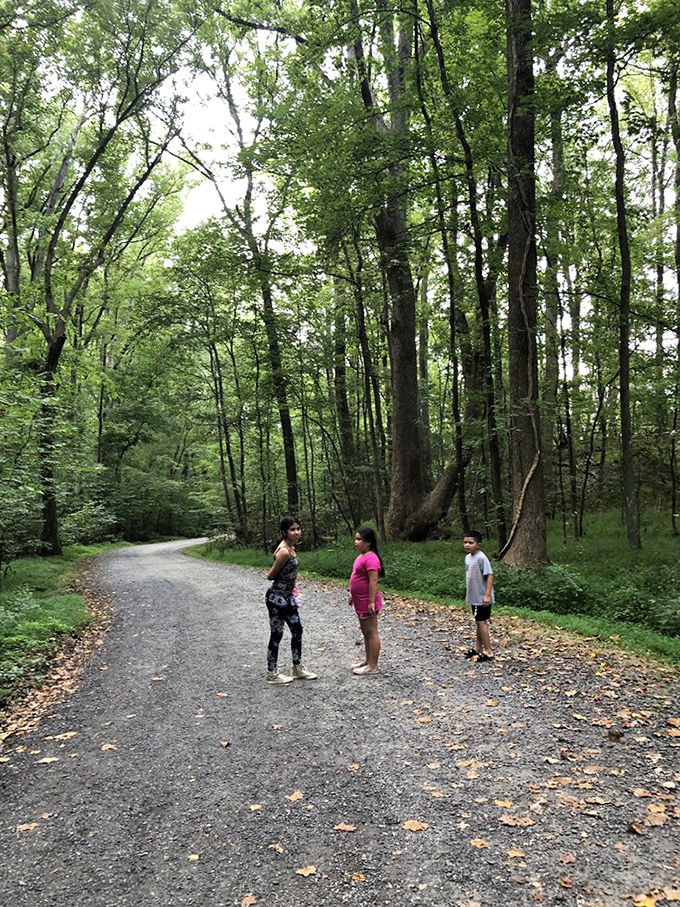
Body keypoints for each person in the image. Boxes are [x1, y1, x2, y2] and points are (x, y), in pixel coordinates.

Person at [265, 516, 317, 684]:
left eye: (298, 528)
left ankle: (297, 668)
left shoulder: (291, 548)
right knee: (277, 634)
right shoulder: (284, 551)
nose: (296, 532)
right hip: (277, 599)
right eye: (292, 529)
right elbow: (271, 575)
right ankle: (272, 673)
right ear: (284, 532)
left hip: (289, 598)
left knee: (297, 630)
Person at [348, 526, 384, 675]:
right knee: (365, 632)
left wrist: (371, 602)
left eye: (359, 539)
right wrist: (352, 594)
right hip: (360, 600)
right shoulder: (361, 556)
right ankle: (367, 661)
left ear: (368, 542)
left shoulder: (371, 558)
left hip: (367, 601)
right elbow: (357, 577)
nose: (355, 542)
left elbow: (373, 581)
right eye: (355, 539)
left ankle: (373, 665)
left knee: (371, 632)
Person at [463, 530, 495, 662]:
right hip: (473, 597)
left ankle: (488, 651)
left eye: (471, 542)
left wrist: (487, 595)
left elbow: (490, 576)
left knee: (482, 623)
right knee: (478, 622)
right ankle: (478, 648)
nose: (467, 545)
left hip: (482, 598)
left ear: (478, 544)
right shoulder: (467, 558)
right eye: (465, 542)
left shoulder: (482, 557)